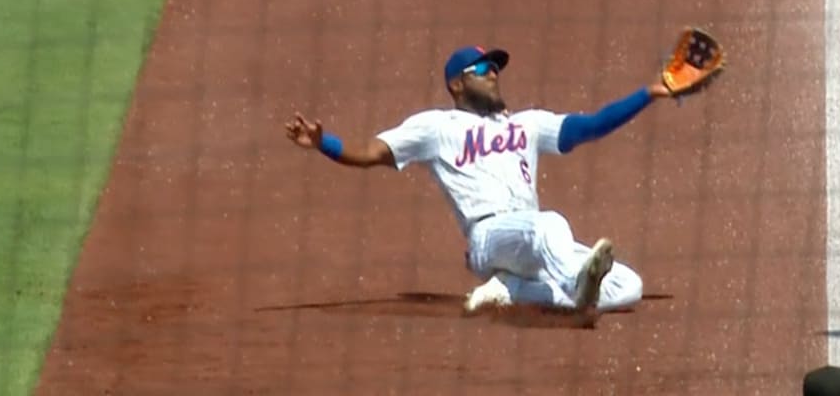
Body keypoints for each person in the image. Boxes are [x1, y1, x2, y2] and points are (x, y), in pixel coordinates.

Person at [283, 43, 683, 325]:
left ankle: (515, 290)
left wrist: (649, 93)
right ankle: (576, 294)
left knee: (629, 285)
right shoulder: (437, 126)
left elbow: (592, 126)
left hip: (530, 244)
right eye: (481, 69)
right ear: (456, 84)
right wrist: (323, 143)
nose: (492, 73)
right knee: (549, 224)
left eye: (495, 68)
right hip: (489, 237)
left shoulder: (526, 124)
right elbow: (371, 152)